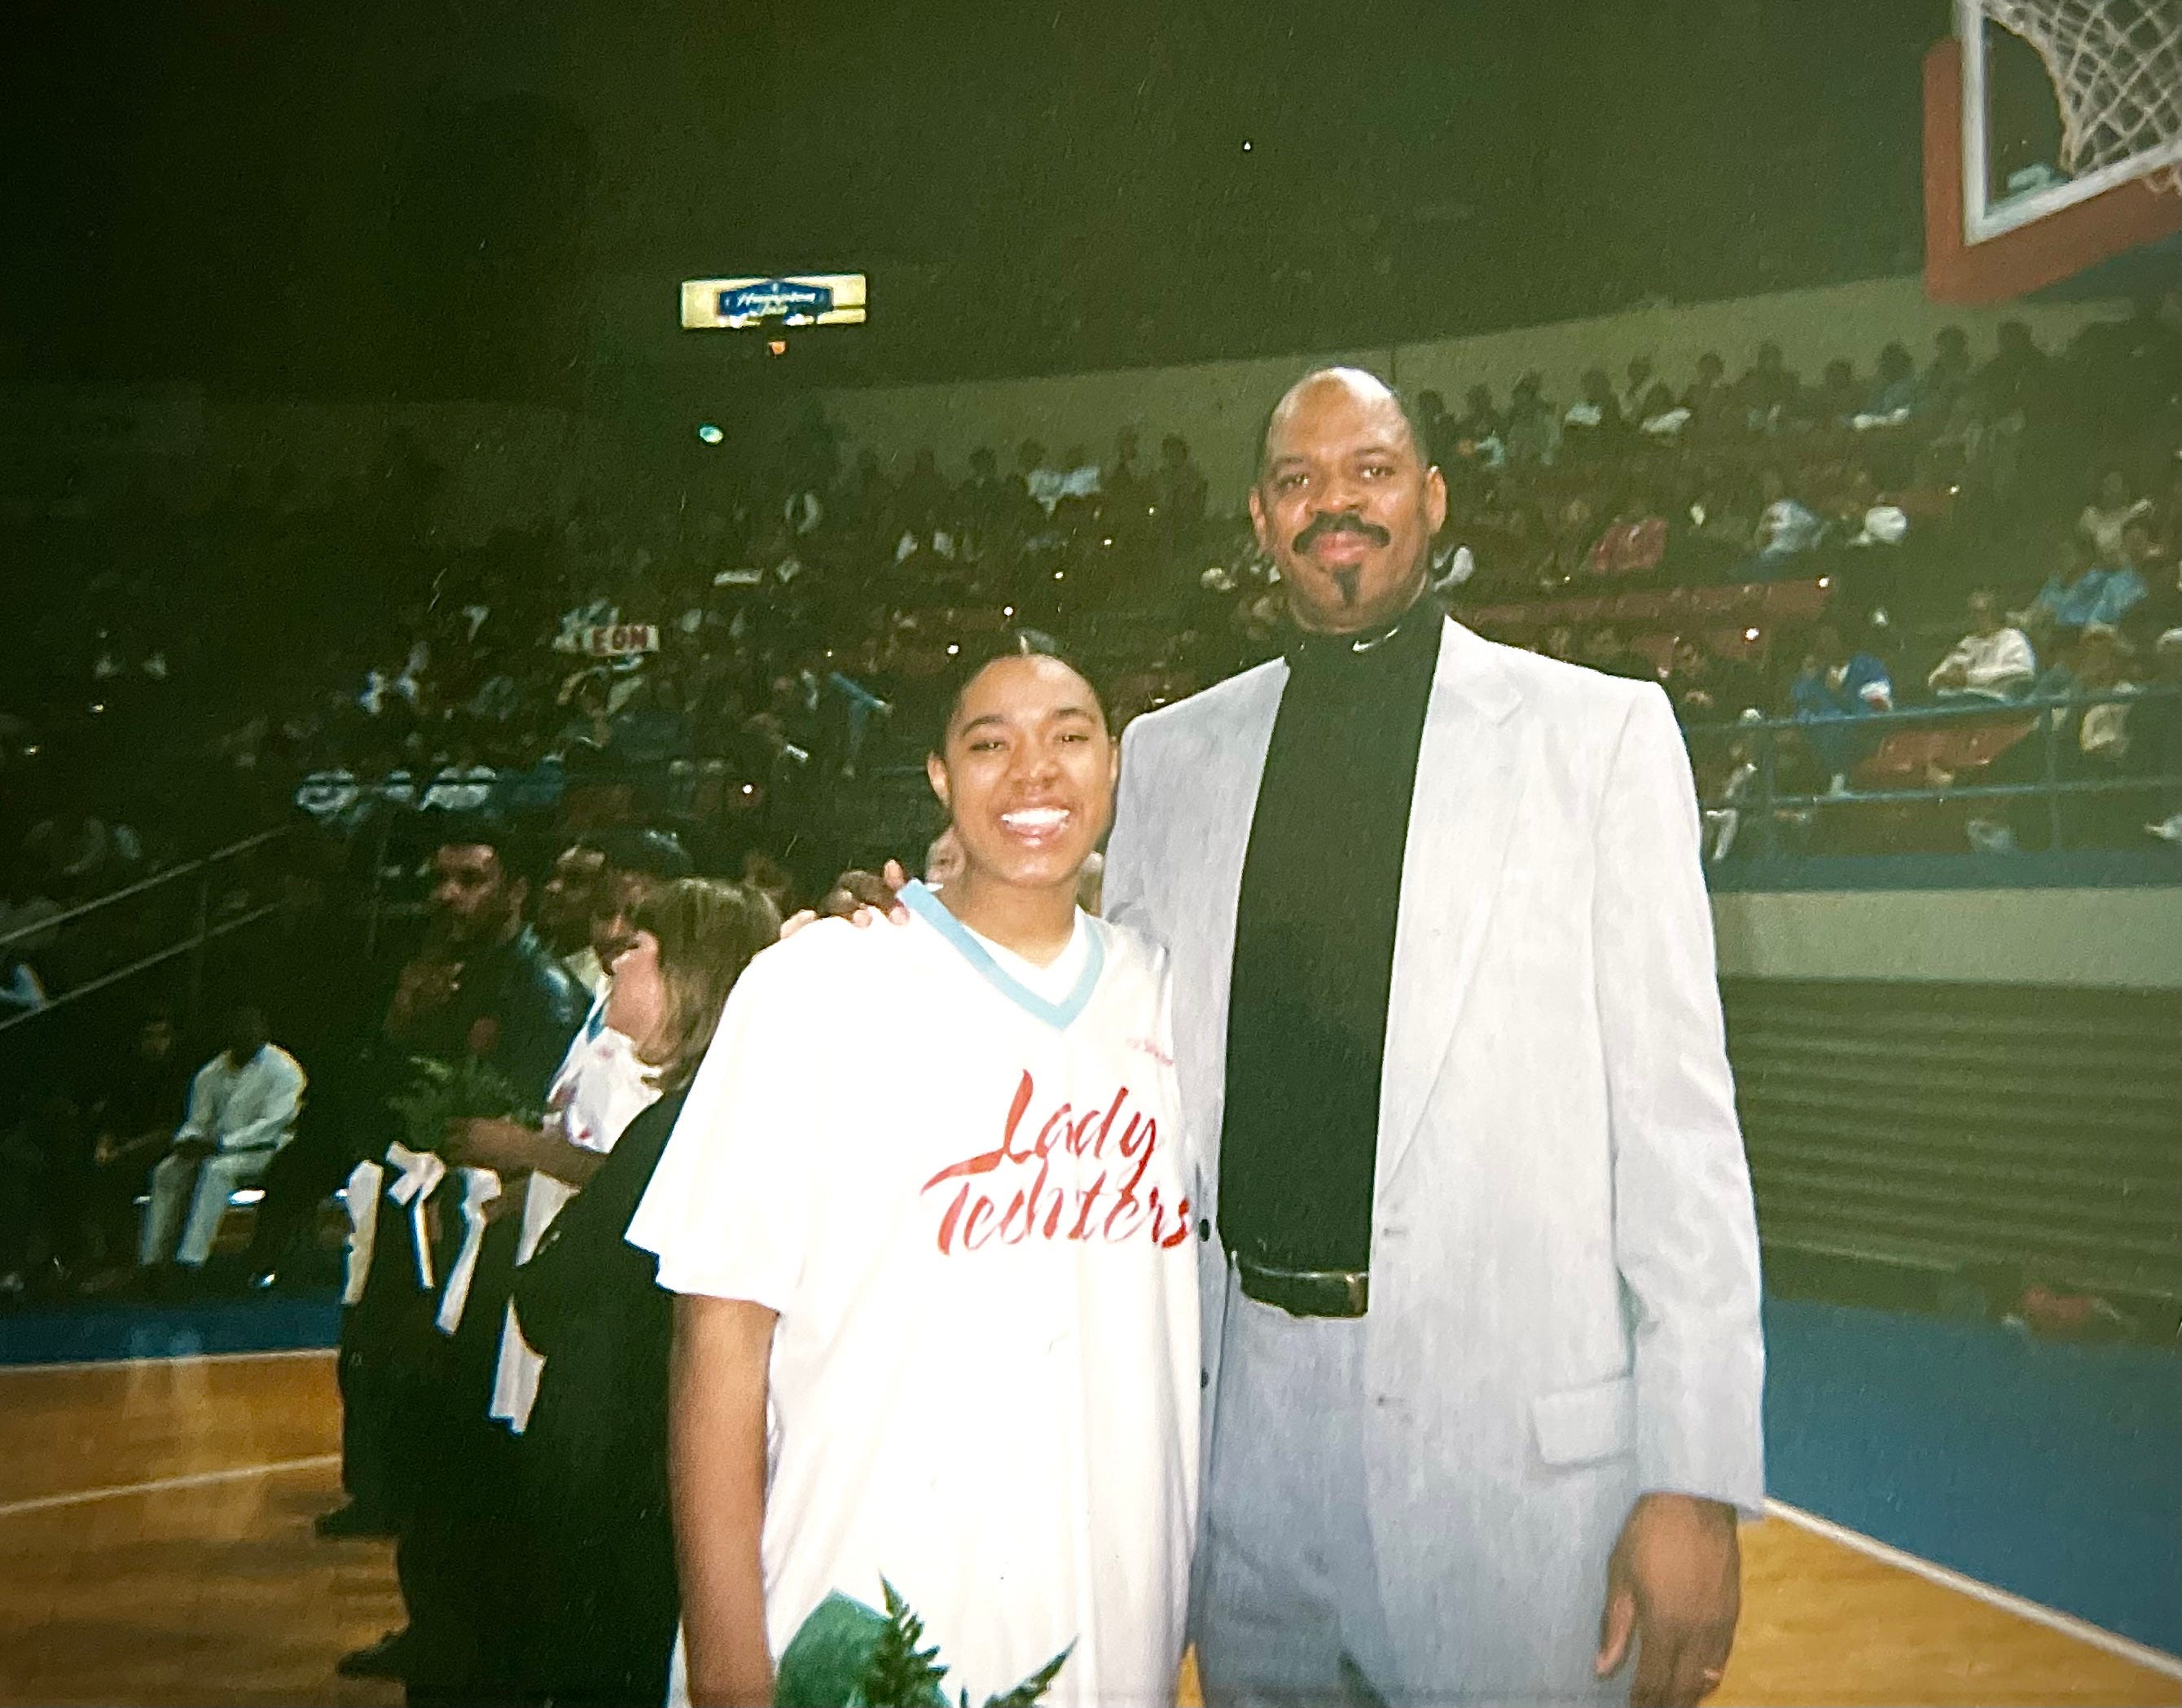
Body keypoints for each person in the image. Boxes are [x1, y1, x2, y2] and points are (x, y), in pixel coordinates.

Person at [830, 370, 1763, 1707]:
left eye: (1370, 469)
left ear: (1430, 499)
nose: (1336, 502)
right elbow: (1092, 1022)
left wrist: (1690, 1478)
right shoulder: (1169, 759)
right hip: (1241, 1440)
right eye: (1297, 480)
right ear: (1259, 520)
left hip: (1507, 1468)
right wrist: (911, 933)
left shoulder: (1595, 738)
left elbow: (1680, 1135)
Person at [631, 634, 1198, 1708]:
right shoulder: (813, 985)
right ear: (939, 778)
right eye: (990, 745)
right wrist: (722, 1649)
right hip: (857, 1609)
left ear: (1113, 764)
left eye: (1068, 739)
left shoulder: (1169, 993)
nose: (1033, 773)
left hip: (1109, 1628)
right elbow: (716, 1334)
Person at [509, 876, 781, 1708]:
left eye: (639, 948)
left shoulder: (686, 1126)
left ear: (687, 976)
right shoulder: (688, 1115)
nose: (616, 961)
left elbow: (566, 1292)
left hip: (628, 1484)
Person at [137, 1005, 305, 1282]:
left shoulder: (284, 1070)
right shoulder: (211, 1073)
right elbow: (198, 1119)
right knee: (168, 1171)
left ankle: (190, 1261)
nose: (244, 1034)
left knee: (217, 1172)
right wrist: (188, 1140)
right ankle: (152, 1262)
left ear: (262, 1030)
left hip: (267, 1151)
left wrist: (223, 1144)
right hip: (214, 1150)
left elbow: (271, 1126)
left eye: (250, 1027)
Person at [1790, 623, 1894, 795]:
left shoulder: (1868, 667)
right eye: (1820, 639)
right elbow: (1800, 705)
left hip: (1861, 736)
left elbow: (1872, 713)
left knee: (1833, 721)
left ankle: (1840, 781)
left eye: (1828, 638)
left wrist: (1839, 694)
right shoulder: (1818, 670)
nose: (1822, 644)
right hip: (1816, 740)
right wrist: (1806, 679)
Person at [1927, 591, 2036, 701]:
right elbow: (1938, 676)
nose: (1976, 618)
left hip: (1999, 703)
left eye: (1981, 612)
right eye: (1972, 613)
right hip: (1961, 703)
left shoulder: (2013, 638)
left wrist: (1971, 678)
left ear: (1995, 613)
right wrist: (1941, 677)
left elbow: (2022, 672)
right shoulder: (1968, 643)